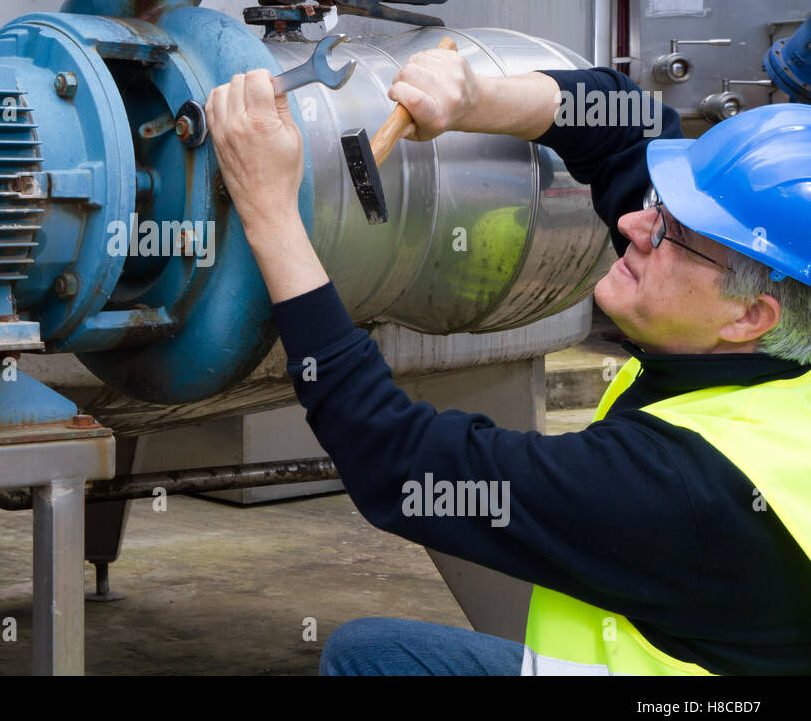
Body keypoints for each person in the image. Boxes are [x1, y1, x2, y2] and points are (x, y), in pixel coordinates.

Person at [204, 49, 811, 675]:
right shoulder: (776, 334)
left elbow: (400, 465)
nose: (633, 220)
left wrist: (272, 212)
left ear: (750, 317)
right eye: (660, 200)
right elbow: (627, 121)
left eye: (667, 233)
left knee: (370, 663)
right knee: (373, 652)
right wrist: (473, 100)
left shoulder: (683, 488)